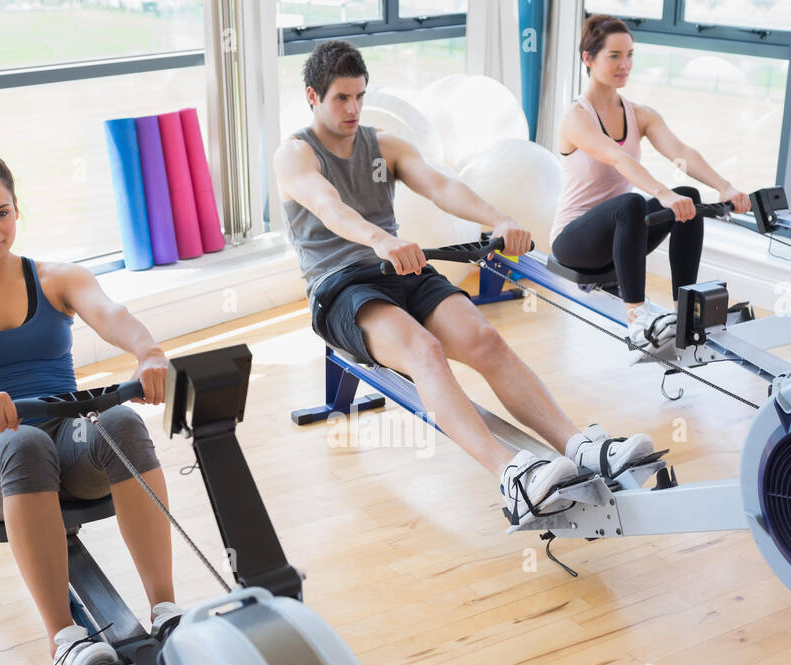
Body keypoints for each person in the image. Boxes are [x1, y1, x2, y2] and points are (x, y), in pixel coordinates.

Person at [275, 40, 657, 525]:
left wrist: (497, 219)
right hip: (341, 288)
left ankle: (579, 446)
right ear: (313, 96)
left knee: (486, 339)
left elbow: (441, 185)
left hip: (401, 271)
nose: (353, 109)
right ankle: (513, 477)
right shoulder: (294, 155)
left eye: (360, 97)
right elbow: (329, 206)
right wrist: (380, 240)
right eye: (341, 99)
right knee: (423, 352)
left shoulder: (383, 144)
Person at [0, 149, 182, 665]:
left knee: (120, 423)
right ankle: (64, 641)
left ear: (16, 211)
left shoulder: (56, 277)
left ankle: (166, 610)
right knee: (24, 444)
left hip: (66, 436)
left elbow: (110, 315)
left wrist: (148, 354)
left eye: (2, 212)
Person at [550, 13, 753, 359]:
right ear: (588, 58)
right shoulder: (577, 118)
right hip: (574, 242)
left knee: (689, 197)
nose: (624, 64)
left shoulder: (640, 114)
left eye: (629, 55)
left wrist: (725, 186)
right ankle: (636, 319)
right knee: (631, 204)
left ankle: (685, 306)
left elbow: (681, 152)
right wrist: (662, 193)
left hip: (621, 240)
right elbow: (618, 159)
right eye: (614, 56)